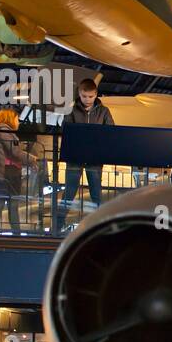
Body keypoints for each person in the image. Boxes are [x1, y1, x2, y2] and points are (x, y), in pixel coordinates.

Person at [54, 78, 114, 232]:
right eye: (84, 96)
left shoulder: (104, 111)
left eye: (90, 96)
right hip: (76, 157)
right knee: (69, 193)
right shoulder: (71, 110)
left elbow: (112, 132)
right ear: (79, 95)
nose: (87, 100)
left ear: (96, 95)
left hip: (94, 159)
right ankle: (56, 228)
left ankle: (99, 228)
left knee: (96, 194)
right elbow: (65, 130)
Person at [0, 108, 24, 233]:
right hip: (8, 173)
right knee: (12, 204)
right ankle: (16, 233)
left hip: (2, 173)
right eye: (17, 119)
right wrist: (31, 159)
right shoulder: (4, 132)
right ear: (10, 118)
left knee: (0, 202)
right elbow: (15, 153)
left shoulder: (0, 132)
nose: (18, 122)